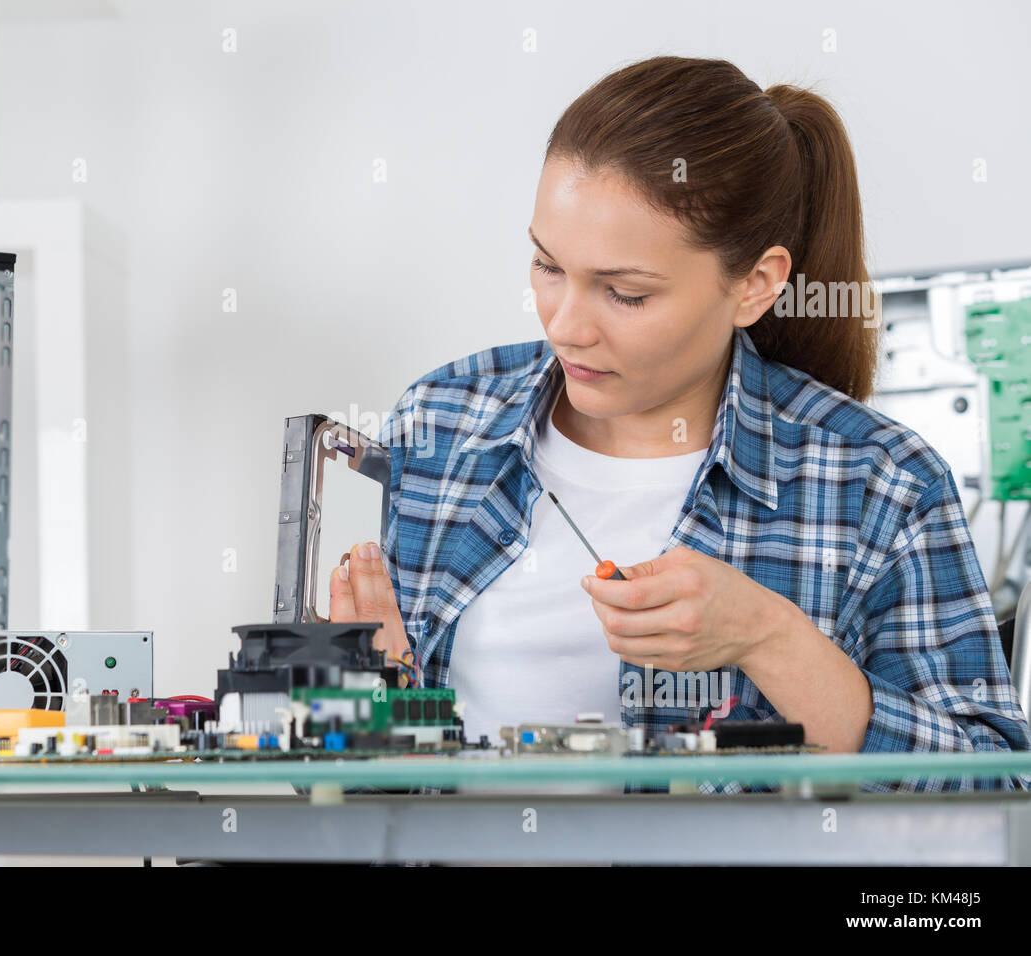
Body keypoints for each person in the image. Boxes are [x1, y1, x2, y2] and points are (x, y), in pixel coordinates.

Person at [327, 55, 1030, 792]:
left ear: (756, 285)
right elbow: (392, 780)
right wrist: (371, 705)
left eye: (625, 293)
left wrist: (772, 640)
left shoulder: (880, 483)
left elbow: (997, 800)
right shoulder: (441, 421)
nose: (565, 326)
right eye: (546, 265)